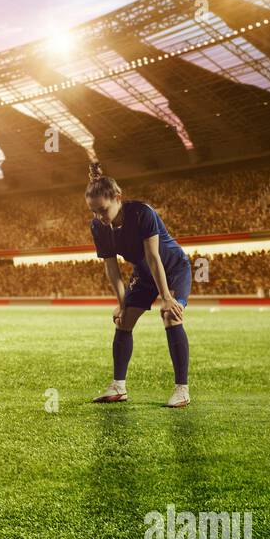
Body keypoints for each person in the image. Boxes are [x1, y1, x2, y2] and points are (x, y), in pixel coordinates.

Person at [85, 165, 191, 408]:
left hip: (173, 268)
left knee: (170, 315)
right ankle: (118, 387)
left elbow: (154, 258)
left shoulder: (142, 212)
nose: (99, 216)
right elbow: (111, 268)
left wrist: (166, 297)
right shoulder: (98, 226)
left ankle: (182, 389)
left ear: (117, 198)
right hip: (144, 273)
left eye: (103, 210)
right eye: (93, 212)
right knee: (123, 321)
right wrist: (122, 305)